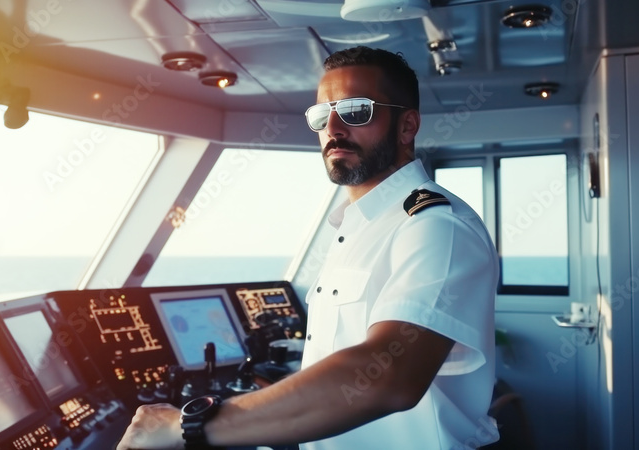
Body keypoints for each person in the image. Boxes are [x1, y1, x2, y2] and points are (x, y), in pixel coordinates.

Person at [116, 46, 499, 450]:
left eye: (355, 111)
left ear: (406, 126)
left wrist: (190, 426)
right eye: (322, 116)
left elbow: (389, 373)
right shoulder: (357, 228)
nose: (333, 128)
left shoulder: (436, 226)